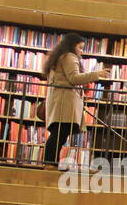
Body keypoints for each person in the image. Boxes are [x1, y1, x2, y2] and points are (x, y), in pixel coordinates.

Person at [40, 33, 110, 167]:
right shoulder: (69, 57)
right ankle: (49, 163)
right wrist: (97, 74)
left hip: (60, 101)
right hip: (64, 103)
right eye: (80, 47)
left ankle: (50, 163)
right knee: (60, 134)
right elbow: (74, 78)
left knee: (59, 134)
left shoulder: (61, 57)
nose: (82, 51)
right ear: (72, 46)